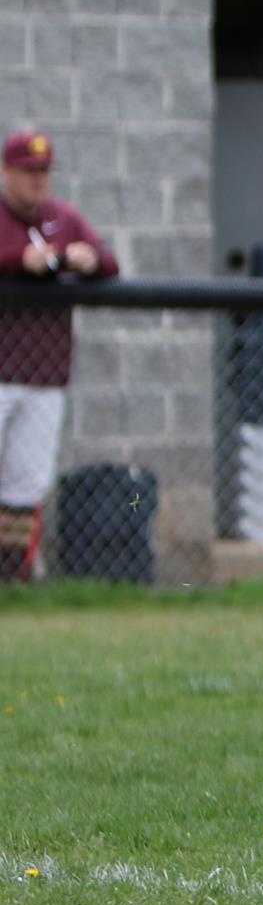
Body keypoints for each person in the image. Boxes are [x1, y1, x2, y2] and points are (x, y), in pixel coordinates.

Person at [0, 131, 118, 582]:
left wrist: (89, 260)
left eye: (44, 172)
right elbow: (14, 258)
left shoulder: (63, 217)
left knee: (25, 484)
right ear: (7, 172)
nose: (37, 181)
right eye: (28, 172)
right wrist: (19, 261)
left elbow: (110, 263)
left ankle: (10, 579)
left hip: (44, 373)